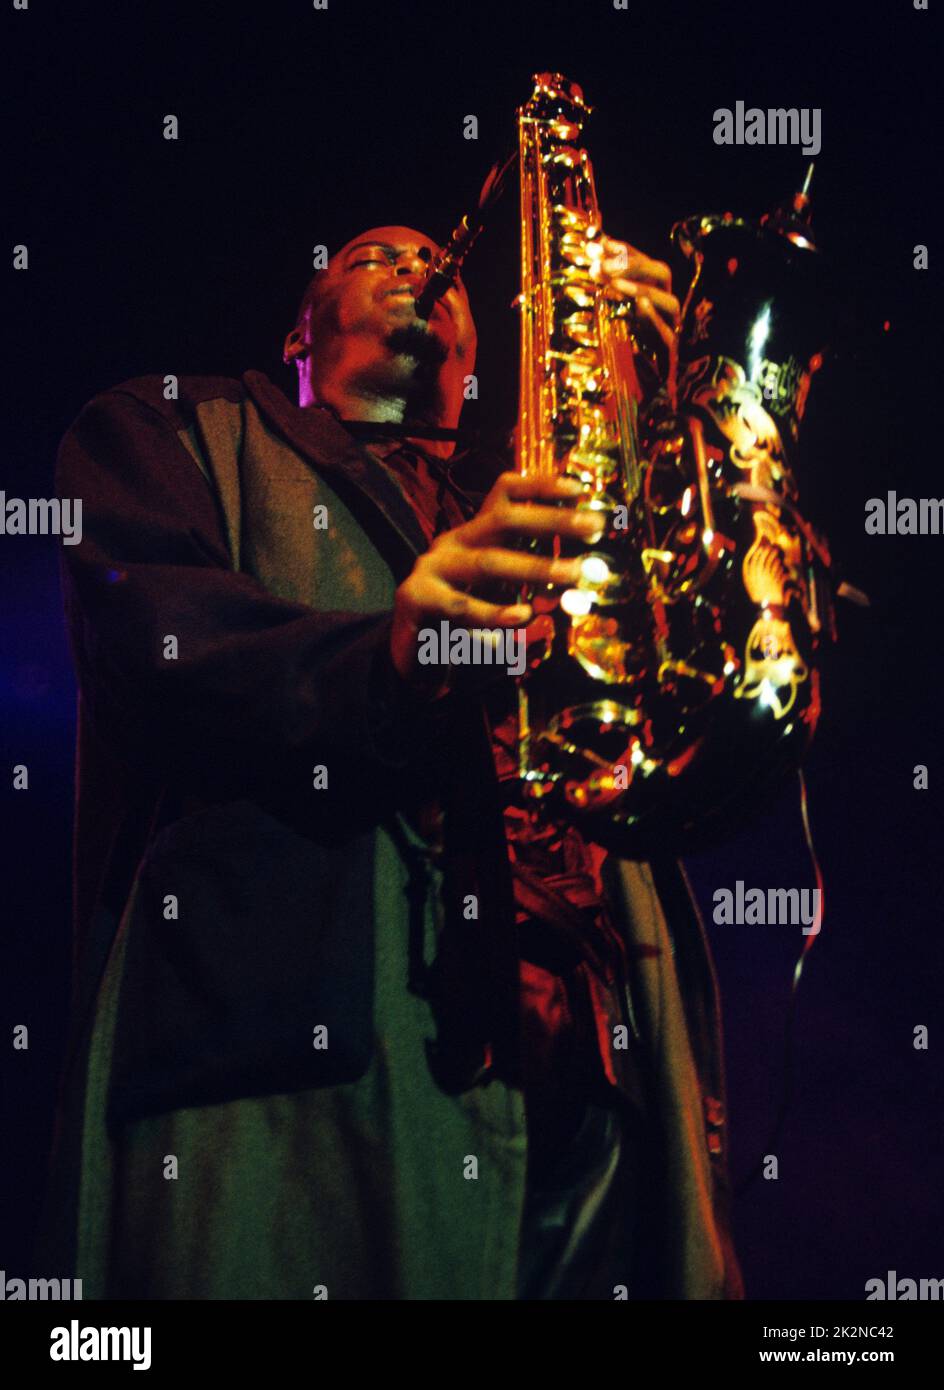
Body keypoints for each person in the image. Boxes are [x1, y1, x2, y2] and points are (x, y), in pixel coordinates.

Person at [36, 224, 743, 1300]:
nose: (420, 267)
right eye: (374, 256)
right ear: (299, 335)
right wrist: (394, 651)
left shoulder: (537, 514)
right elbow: (157, 652)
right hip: (315, 1073)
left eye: (432, 262)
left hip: (604, 1082)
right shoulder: (170, 424)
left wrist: (653, 409)